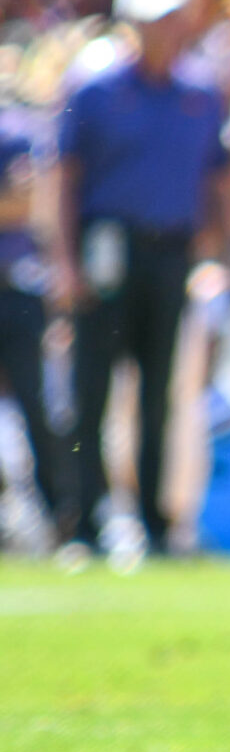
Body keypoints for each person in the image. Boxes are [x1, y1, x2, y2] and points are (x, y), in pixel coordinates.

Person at [54, 0, 230, 556]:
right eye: (158, 19)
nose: (170, 30)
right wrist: (64, 261)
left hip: (171, 252)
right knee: (93, 391)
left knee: (160, 392)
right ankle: (81, 519)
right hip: (107, 248)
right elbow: (63, 179)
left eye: (177, 17)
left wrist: (220, 253)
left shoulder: (200, 92)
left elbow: (215, 181)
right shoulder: (94, 87)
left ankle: (158, 522)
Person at [0, 92, 68, 542]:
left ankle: (64, 515)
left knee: (36, 402)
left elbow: (33, 201)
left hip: (16, 283)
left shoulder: (21, 129)